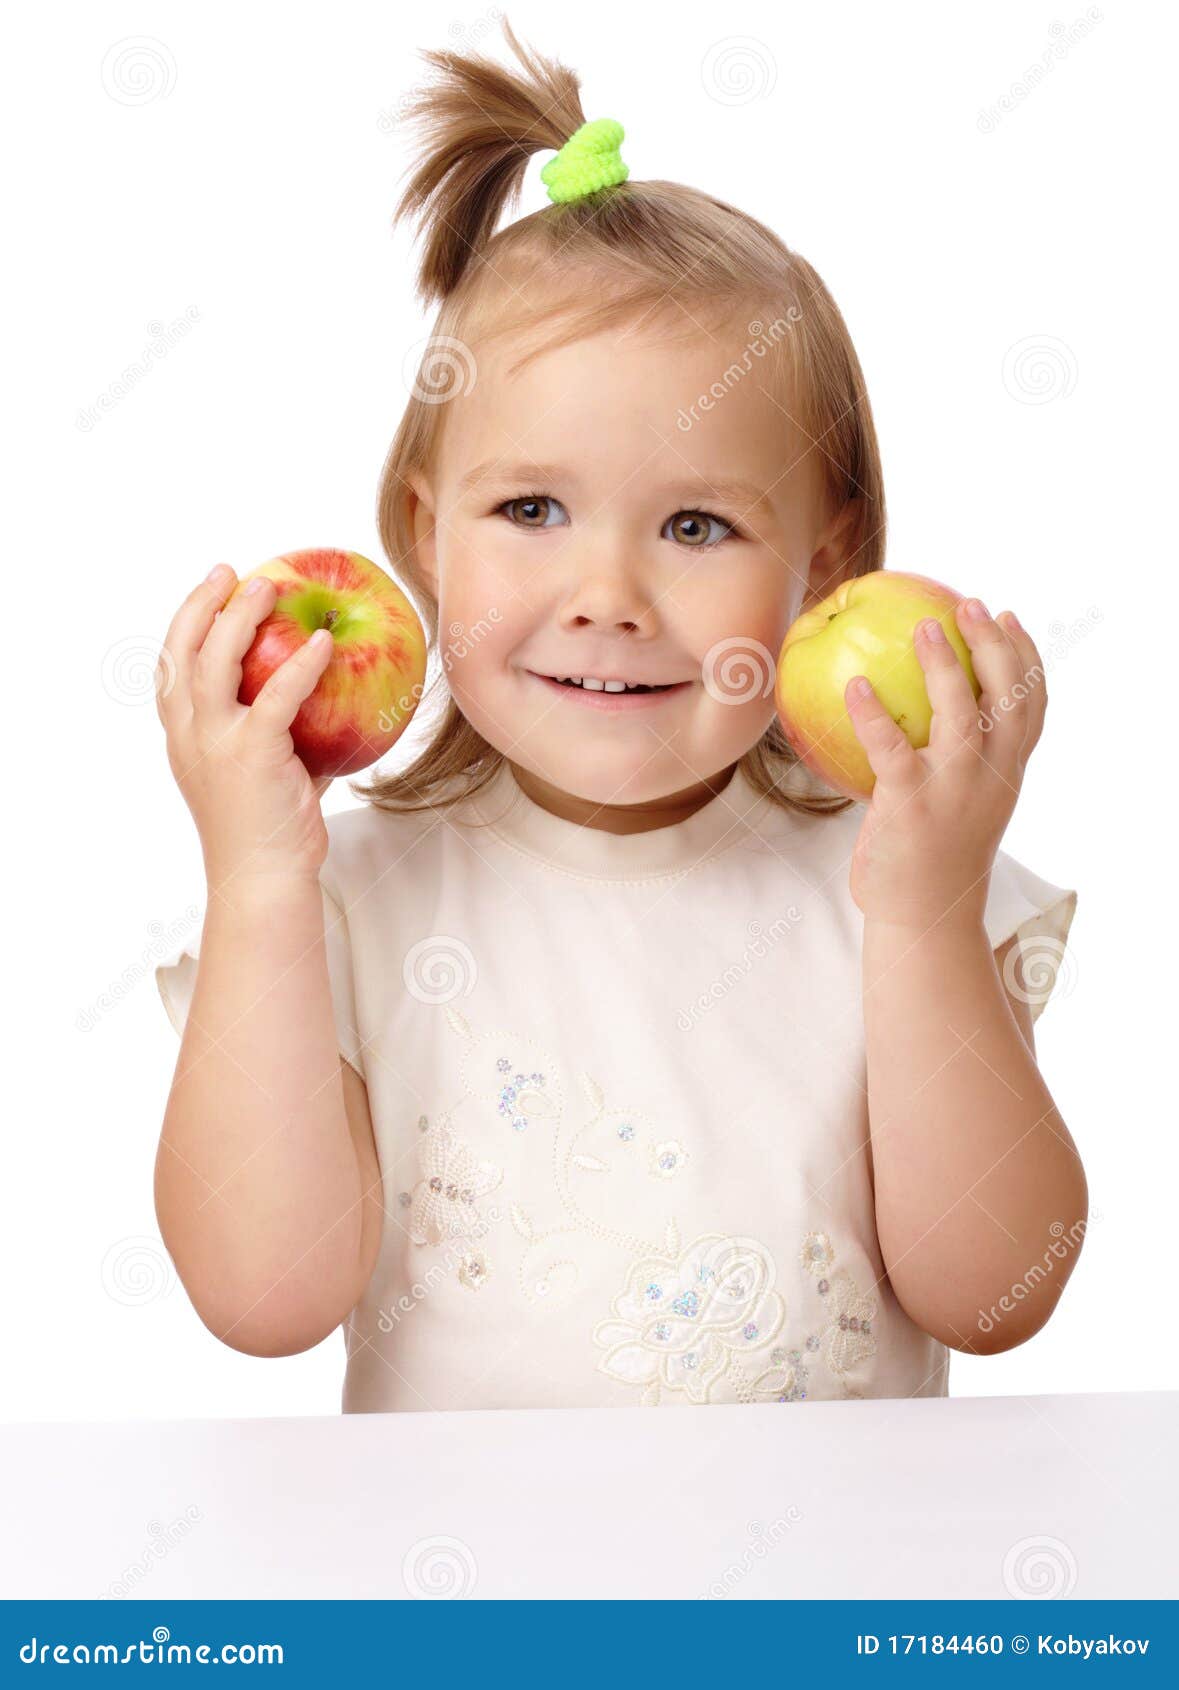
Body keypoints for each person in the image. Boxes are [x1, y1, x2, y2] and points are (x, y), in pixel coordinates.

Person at [153, 18, 1085, 1413]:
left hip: (824, 1608)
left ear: (822, 572)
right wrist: (256, 883)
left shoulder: (899, 882)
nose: (609, 594)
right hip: (470, 1612)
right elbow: (263, 1298)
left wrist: (929, 912)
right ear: (425, 531)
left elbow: (996, 1291)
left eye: (698, 523)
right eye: (532, 509)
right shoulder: (348, 901)